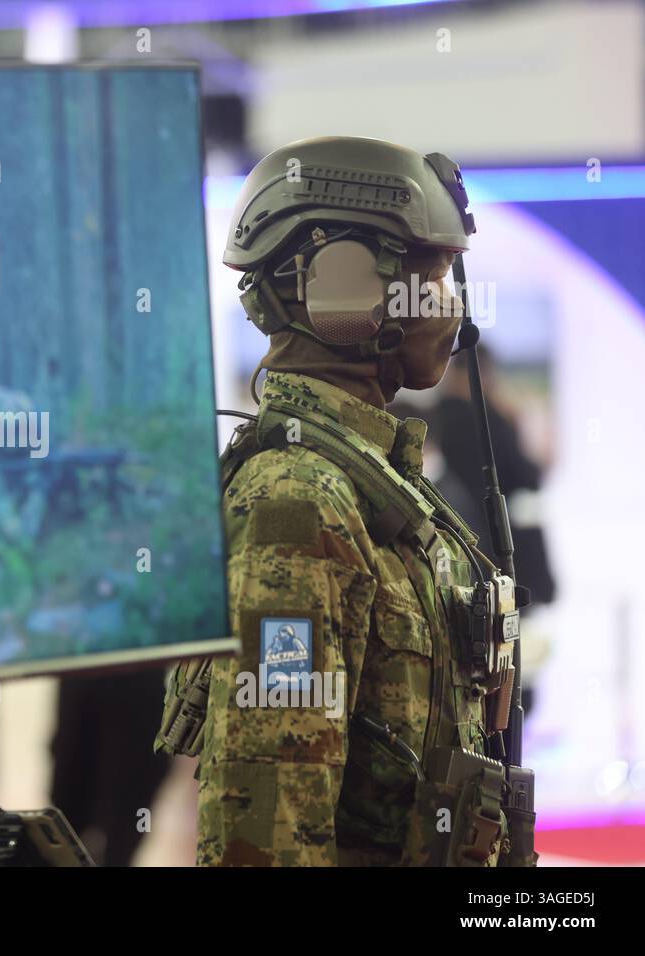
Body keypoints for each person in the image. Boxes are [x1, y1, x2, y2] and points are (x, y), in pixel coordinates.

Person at [156, 136, 536, 867]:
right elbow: (266, 830)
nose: (448, 301)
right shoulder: (299, 501)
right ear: (345, 283)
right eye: (430, 270)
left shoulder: (375, 480)